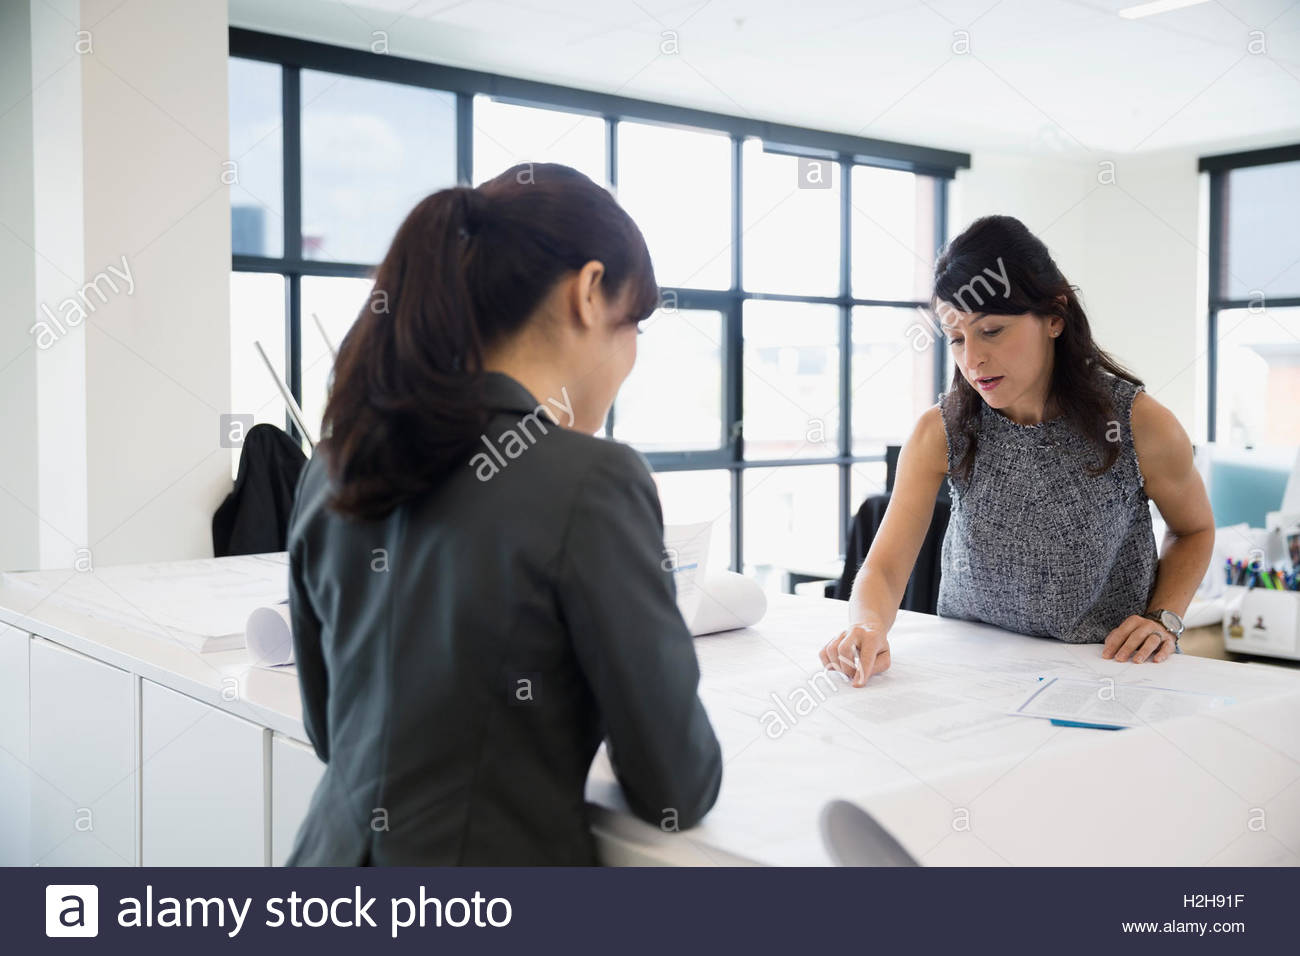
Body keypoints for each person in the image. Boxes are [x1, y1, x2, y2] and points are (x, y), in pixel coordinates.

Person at [286, 163, 722, 865]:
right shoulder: (593, 481)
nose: (632, 353)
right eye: (634, 322)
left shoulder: (332, 464)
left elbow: (333, 730)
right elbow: (678, 783)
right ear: (587, 293)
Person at [821, 215, 1214, 687]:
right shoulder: (940, 430)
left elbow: (1194, 530)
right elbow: (883, 566)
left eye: (992, 331)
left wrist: (1164, 618)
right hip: (973, 672)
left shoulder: (1139, 424)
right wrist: (866, 625)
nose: (973, 359)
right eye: (957, 339)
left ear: (1054, 316)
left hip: (1106, 676)